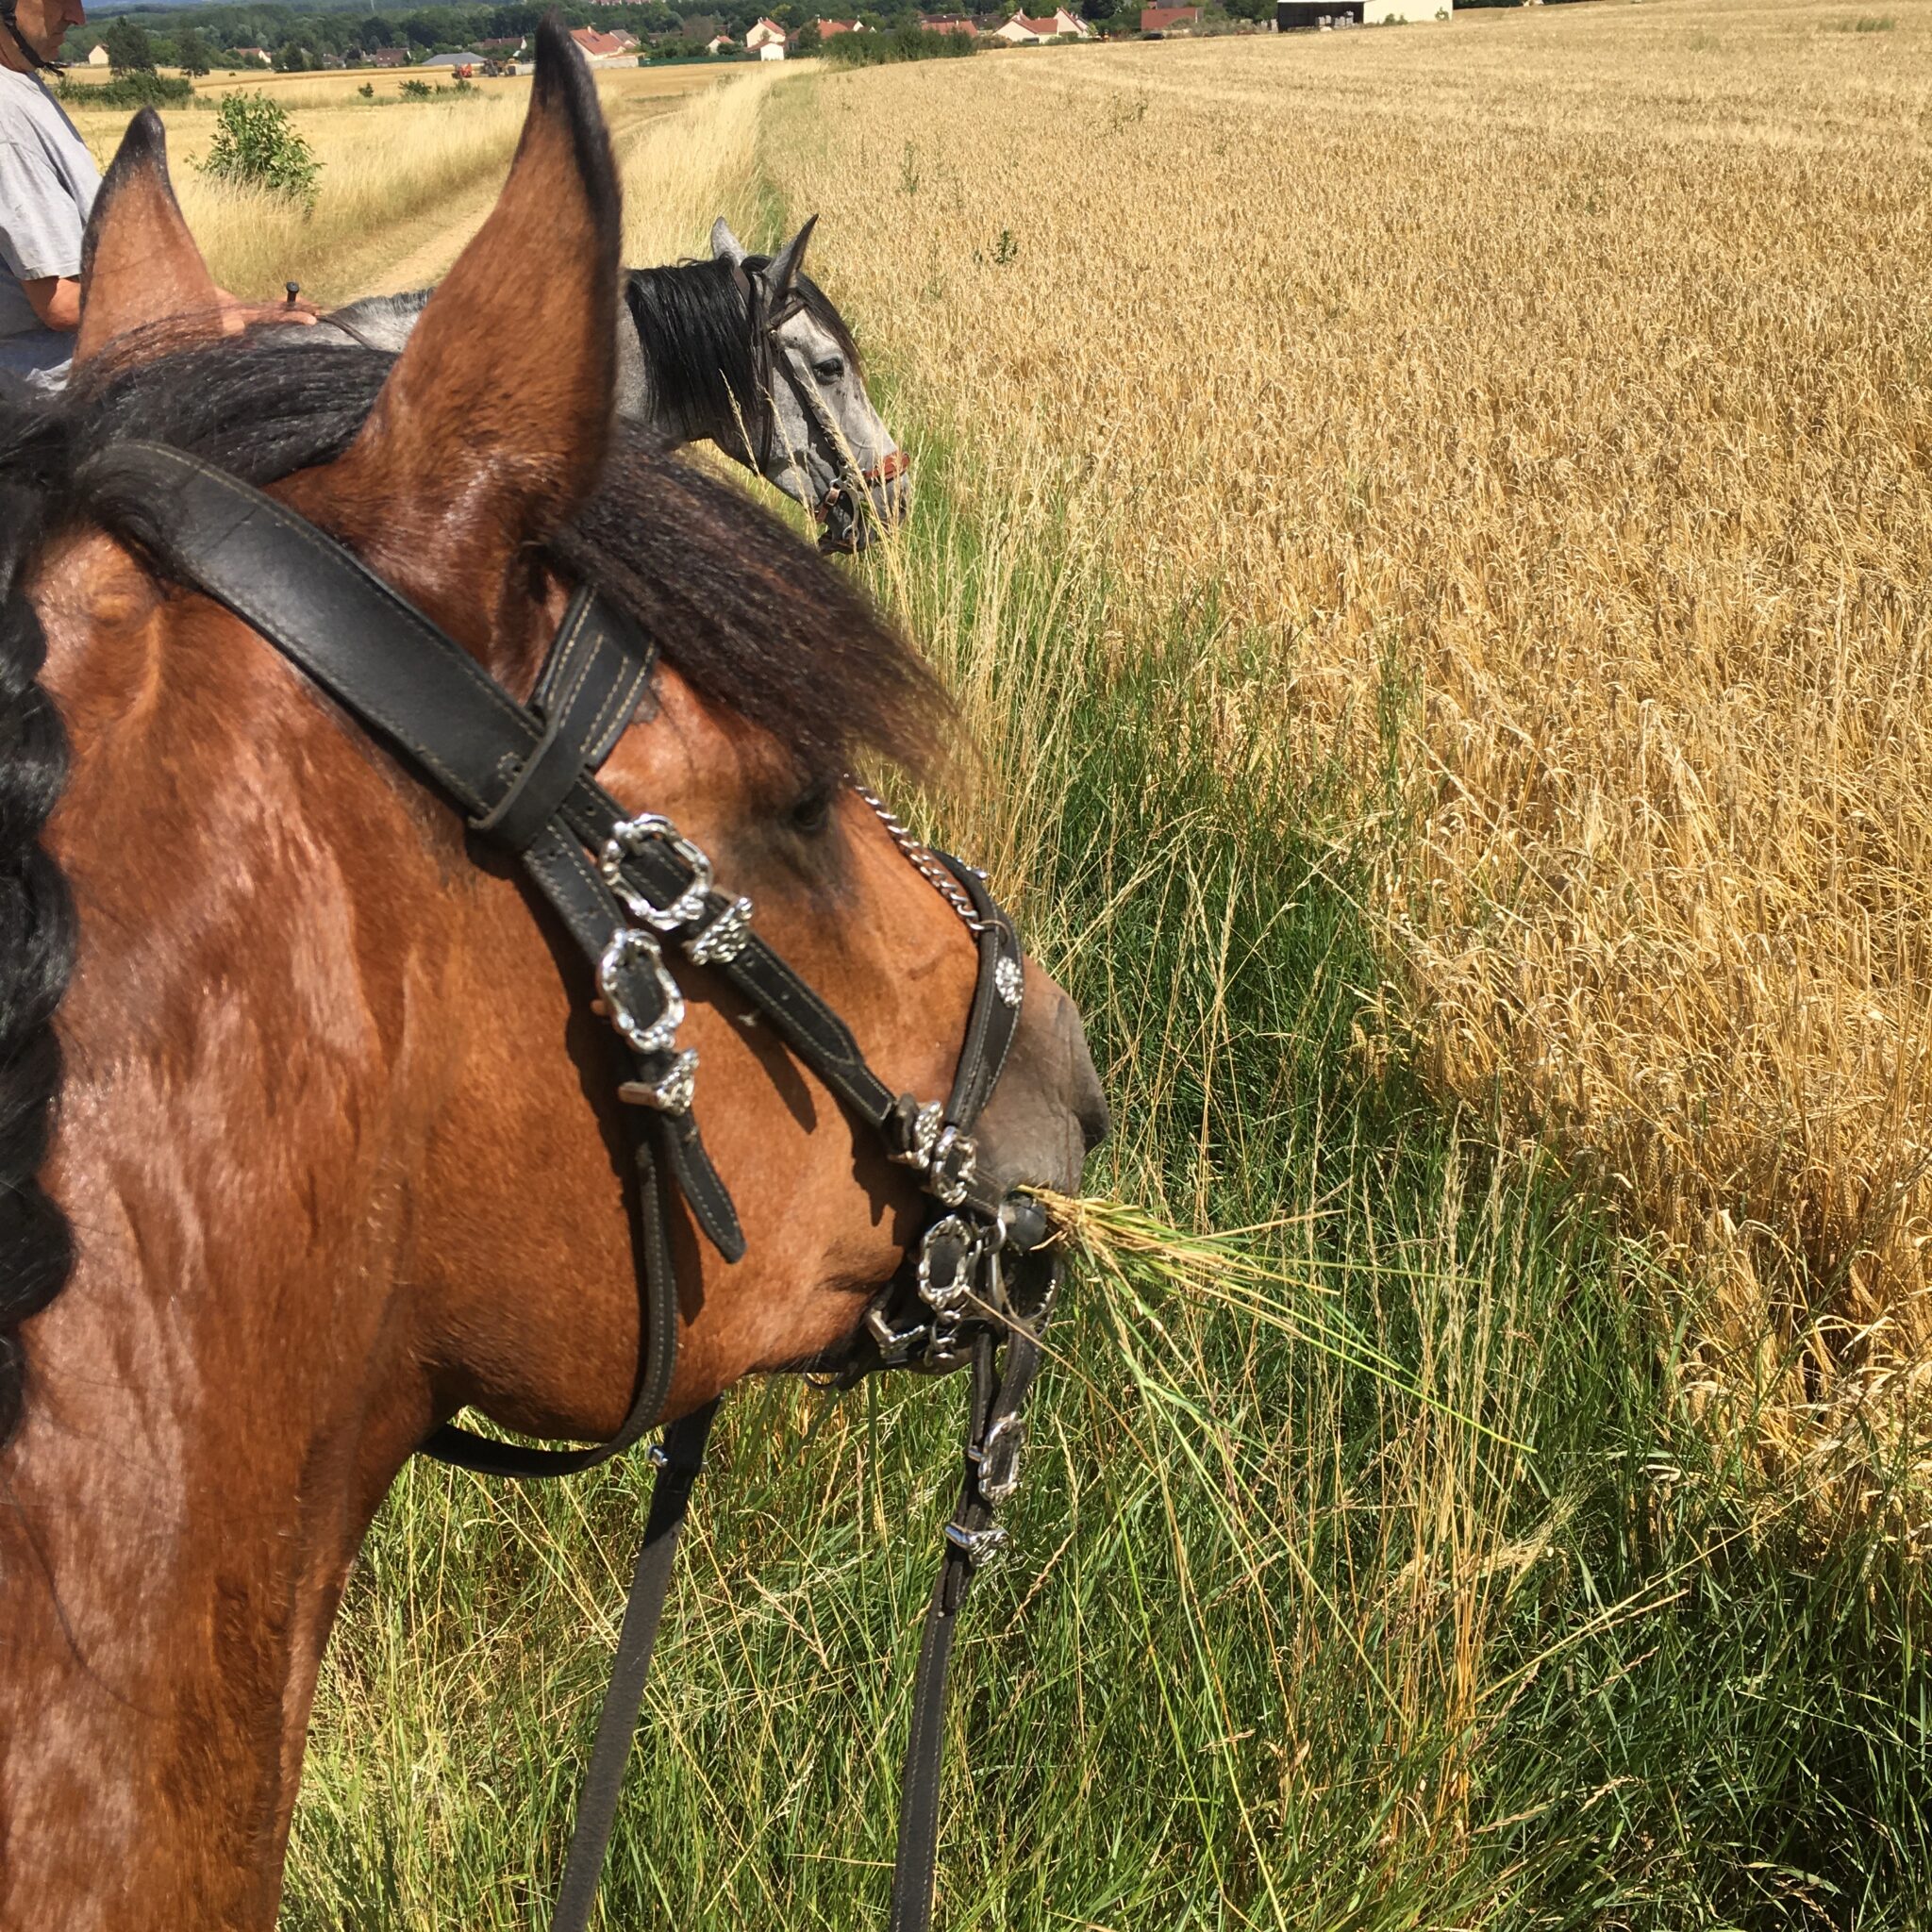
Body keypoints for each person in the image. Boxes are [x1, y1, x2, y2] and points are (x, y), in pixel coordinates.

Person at [0, 0, 96, 391]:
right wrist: (193, 308)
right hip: (55, 409)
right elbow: (59, 303)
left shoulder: (20, 77)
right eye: (60, 0)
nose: (77, 17)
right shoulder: (4, 119)